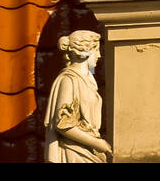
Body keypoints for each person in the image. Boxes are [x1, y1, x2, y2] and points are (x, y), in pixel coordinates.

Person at [44, 29, 112, 163]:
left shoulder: (88, 80)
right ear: (85, 52)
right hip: (74, 153)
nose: (99, 56)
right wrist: (98, 144)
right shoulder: (68, 80)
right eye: (96, 50)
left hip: (88, 150)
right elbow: (63, 125)